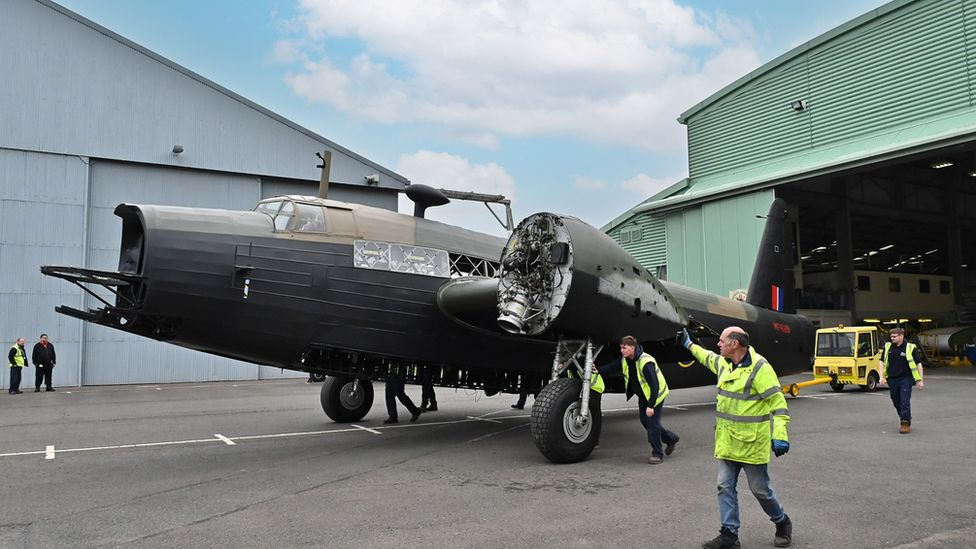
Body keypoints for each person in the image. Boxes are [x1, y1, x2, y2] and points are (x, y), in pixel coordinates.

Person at [681, 327, 792, 549]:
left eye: (722, 341)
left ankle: (782, 522)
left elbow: (778, 405)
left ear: (735, 344)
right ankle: (729, 535)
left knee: (761, 491)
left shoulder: (760, 368)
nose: (718, 345)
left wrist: (780, 435)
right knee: (724, 487)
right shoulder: (724, 363)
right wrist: (689, 345)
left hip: (751, 445)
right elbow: (708, 357)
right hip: (727, 442)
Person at [594, 335, 679, 464]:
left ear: (632, 348)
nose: (621, 350)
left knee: (652, 424)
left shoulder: (646, 362)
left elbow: (654, 385)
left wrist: (651, 405)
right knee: (645, 421)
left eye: (624, 348)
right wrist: (598, 371)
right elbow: (612, 367)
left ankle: (657, 453)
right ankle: (671, 438)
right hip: (643, 395)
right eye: (621, 347)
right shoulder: (625, 359)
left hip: (655, 396)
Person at [879, 327, 924, 434]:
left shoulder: (910, 348)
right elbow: (881, 362)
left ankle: (905, 423)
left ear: (901, 336)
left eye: (894, 336)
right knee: (896, 400)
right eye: (891, 336)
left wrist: (920, 380)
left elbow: (919, 364)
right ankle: (905, 417)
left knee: (904, 401)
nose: (892, 338)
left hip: (906, 378)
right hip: (892, 378)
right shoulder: (888, 346)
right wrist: (881, 376)